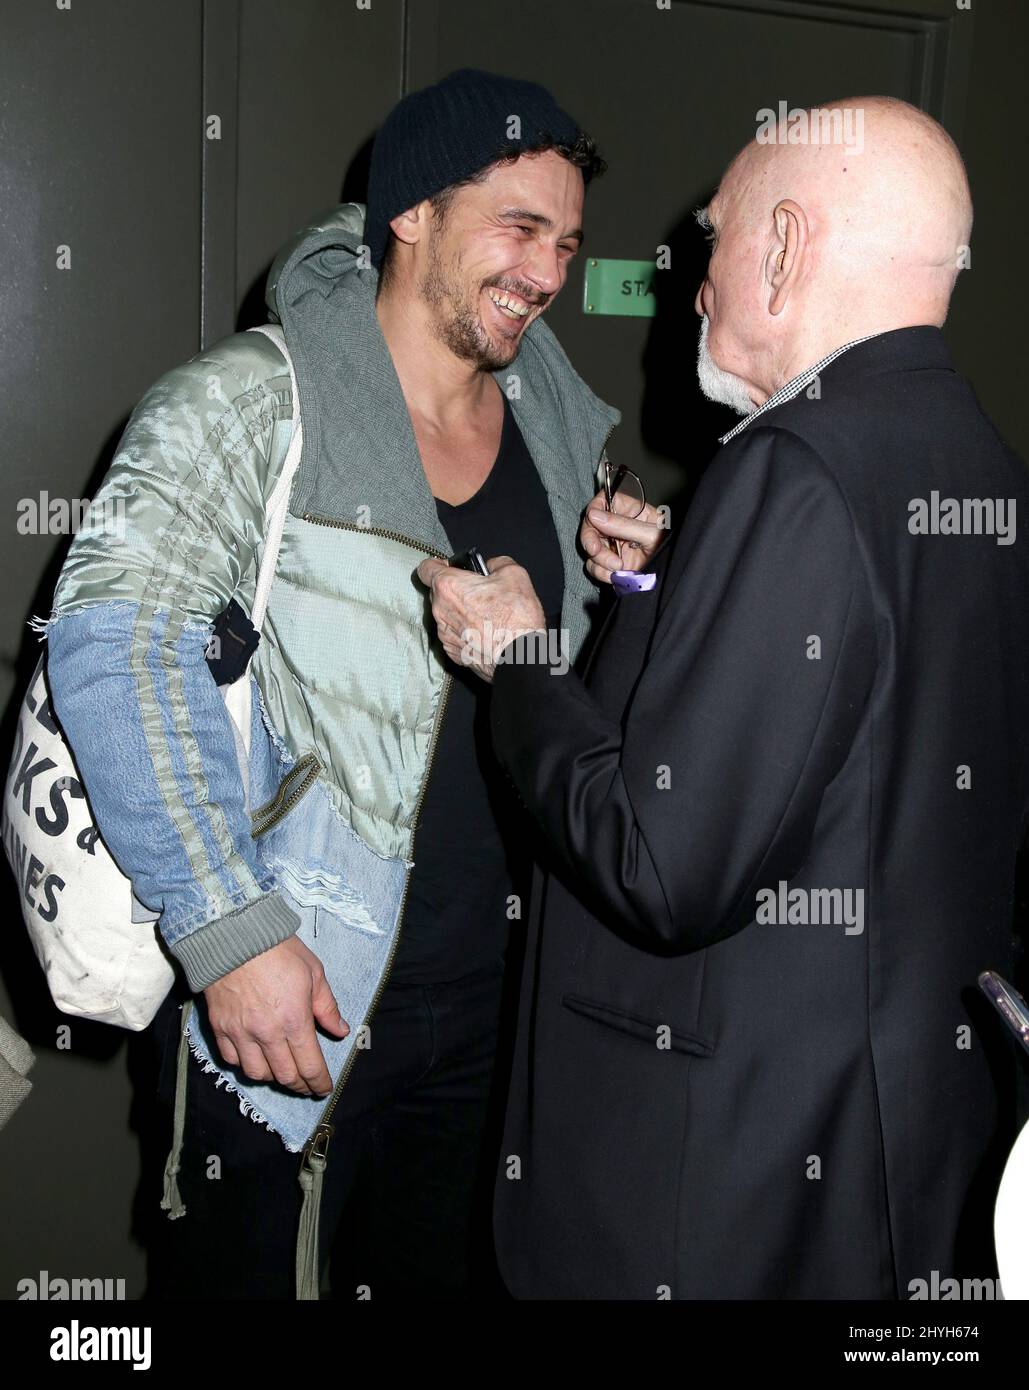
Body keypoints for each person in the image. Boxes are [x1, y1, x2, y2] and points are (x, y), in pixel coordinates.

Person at [418, 95, 1029, 1298]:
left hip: (720, 1174)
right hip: (884, 1151)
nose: (691, 280)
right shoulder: (977, 462)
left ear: (789, 246)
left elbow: (666, 862)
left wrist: (522, 658)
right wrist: (659, 586)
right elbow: (853, 747)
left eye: (716, 236)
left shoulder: (791, 467)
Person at [39, 68, 617, 1299]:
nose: (549, 270)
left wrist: (627, 584)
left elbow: (550, 691)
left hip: (500, 999)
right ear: (411, 212)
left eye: (566, 242)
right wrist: (228, 932)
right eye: (518, 228)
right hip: (293, 993)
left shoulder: (559, 423)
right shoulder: (252, 398)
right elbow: (113, 642)